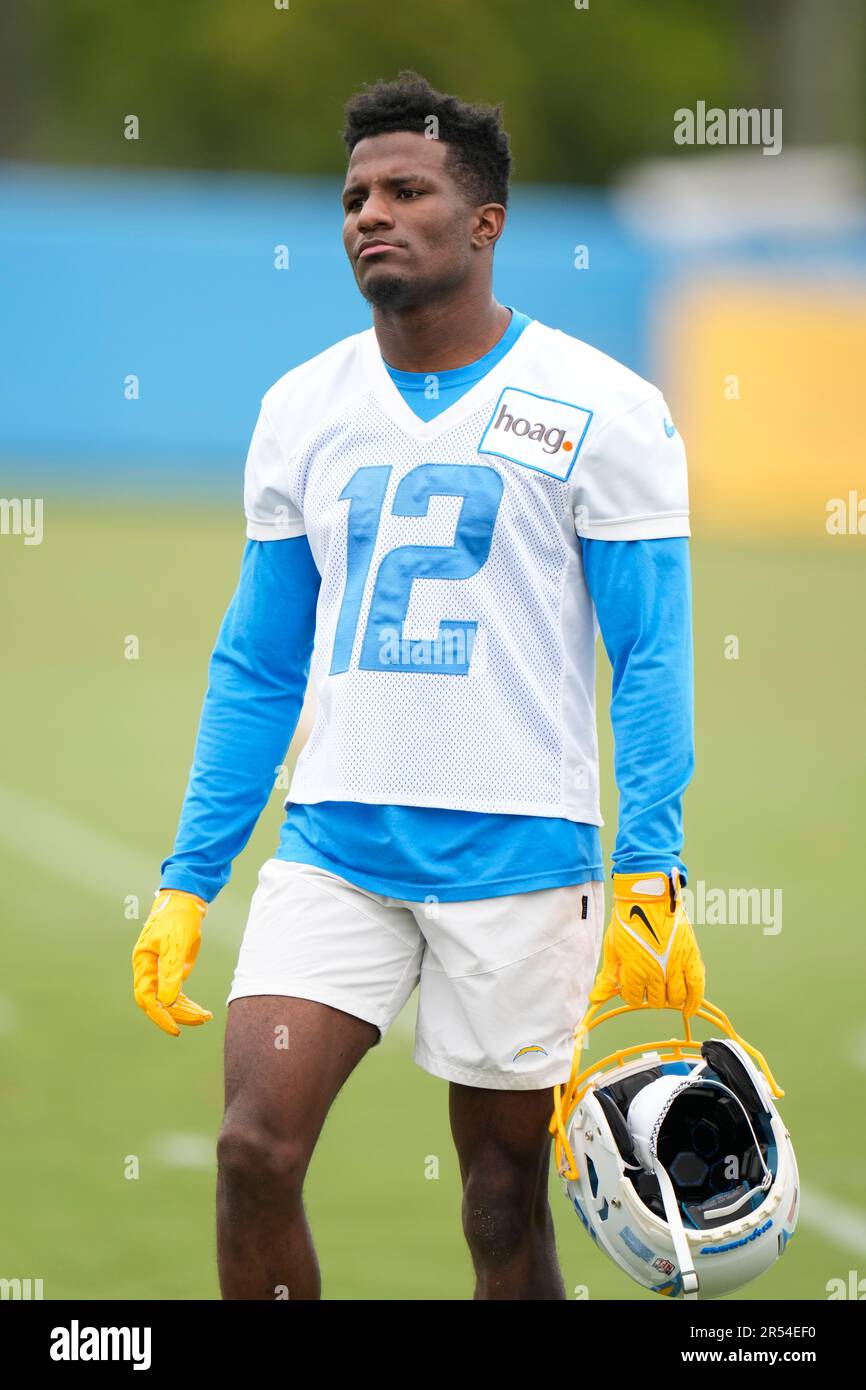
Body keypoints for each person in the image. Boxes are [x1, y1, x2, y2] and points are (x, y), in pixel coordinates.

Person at [132, 70, 705, 1301]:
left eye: (404, 190)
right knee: (252, 1148)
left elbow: (650, 653)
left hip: (520, 867)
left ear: (484, 221)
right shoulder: (302, 408)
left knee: (502, 1206)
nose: (367, 215)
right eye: (352, 196)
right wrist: (190, 875)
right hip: (336, 848)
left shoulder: (600, 406)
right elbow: (257, 660)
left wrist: (649, 864)